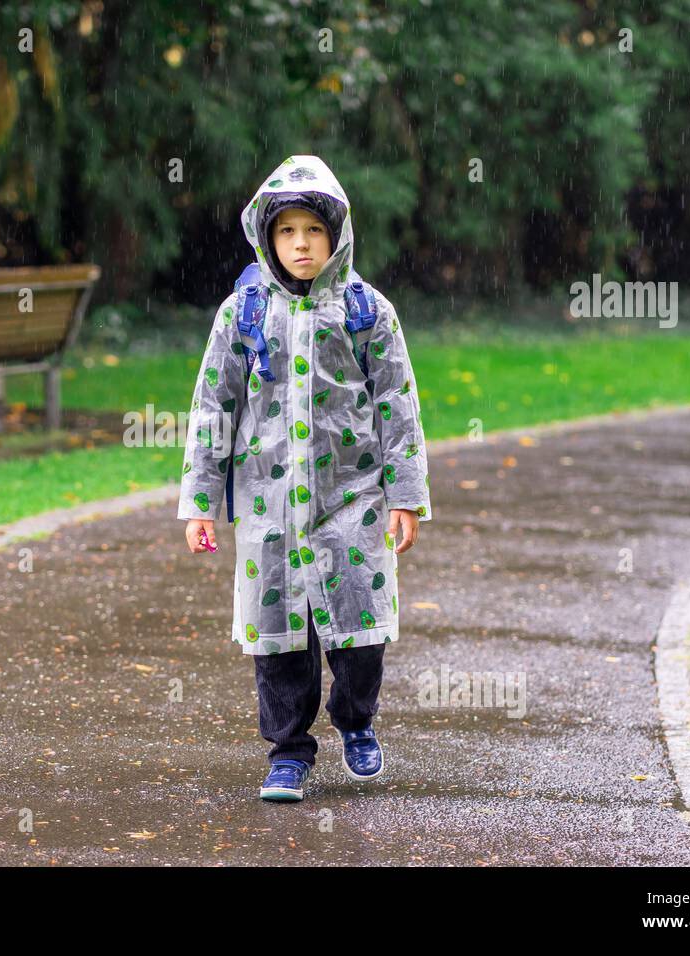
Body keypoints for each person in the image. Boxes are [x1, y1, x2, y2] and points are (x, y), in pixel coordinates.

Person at [177, 154, 432, 801]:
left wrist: (405, 496)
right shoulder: (243, 314)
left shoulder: (365, 310)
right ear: (268, 237)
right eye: (287, 231)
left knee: (359, 630)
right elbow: (213, 409)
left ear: (335, 235)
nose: (300, 243)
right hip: (268, 507)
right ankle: (289, 750)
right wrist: (200, 502)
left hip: (353, 501)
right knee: (279, 637)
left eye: (312, 231)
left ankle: (356, 722)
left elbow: (397, 404)